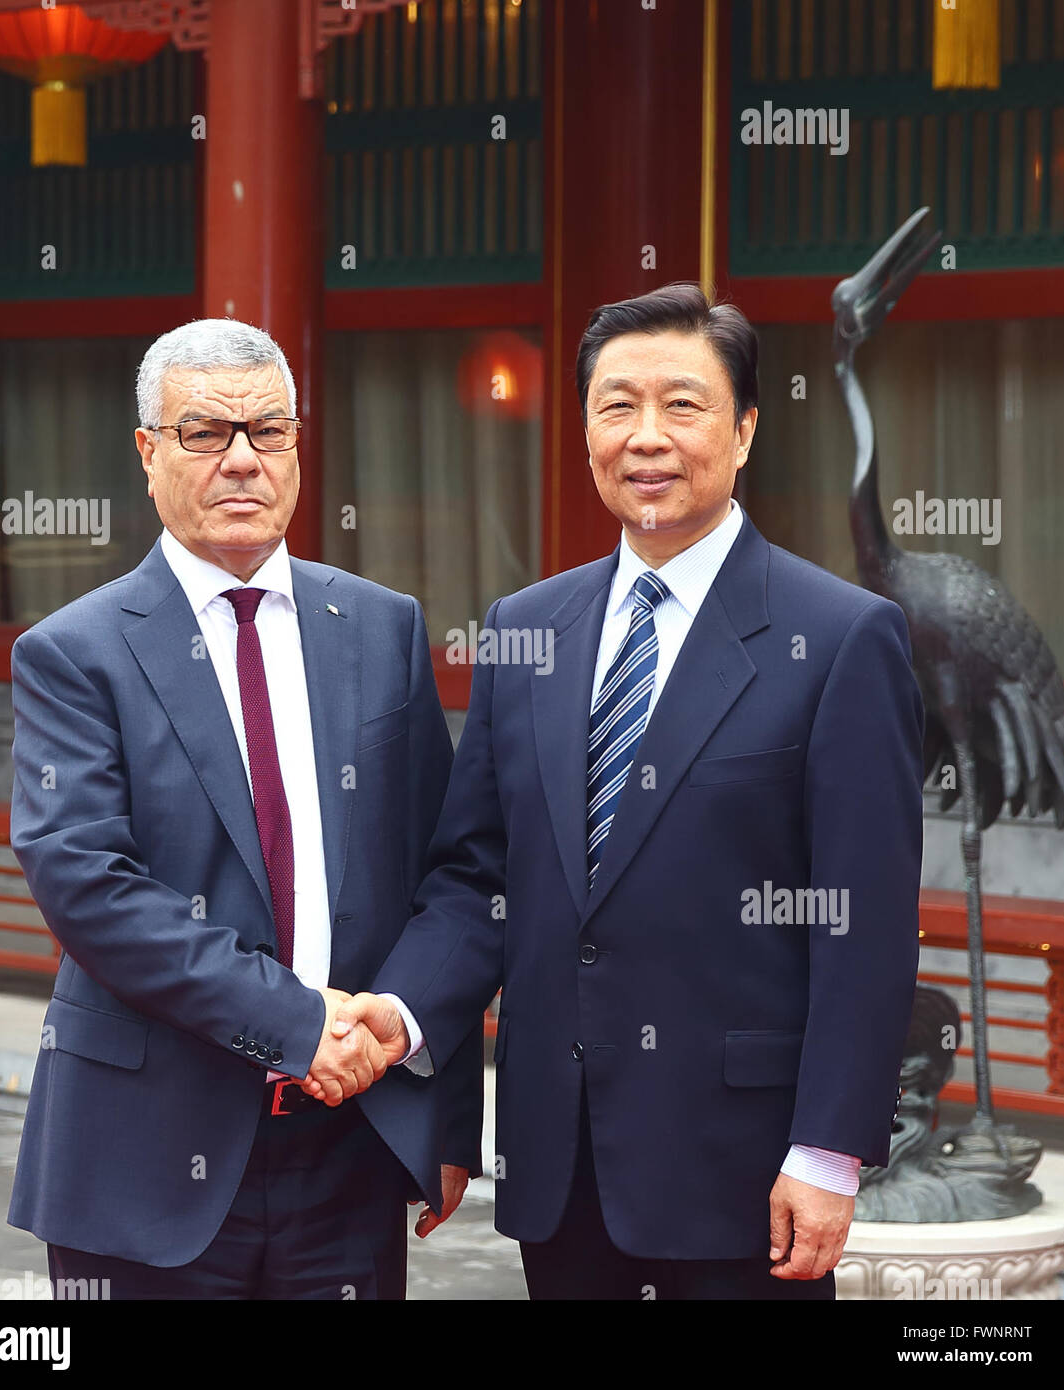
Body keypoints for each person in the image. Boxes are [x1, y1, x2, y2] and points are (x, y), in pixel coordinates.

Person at [309, 283, 924, 1300]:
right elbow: (475, 877)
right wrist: (402, 1011)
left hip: (744, 1169)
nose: (645, 436)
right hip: (564, 1165)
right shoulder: (528, 629)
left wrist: (828, 1148)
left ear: (743, 431)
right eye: (614, 405)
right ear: (584, 427)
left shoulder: (840, 637)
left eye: (681, 405)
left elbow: (863, 921)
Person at [7, 319, 481, 1299]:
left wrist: (429, 1093)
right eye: (203, 432)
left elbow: (455, 874)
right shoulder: (75, 652)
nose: (240, 459)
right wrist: (297, 1021)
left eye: (267, 431)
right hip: (145, 1159)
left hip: (349, 1148)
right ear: (147, 452)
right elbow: (88, 887)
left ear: (298, 447)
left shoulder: (380, 627)